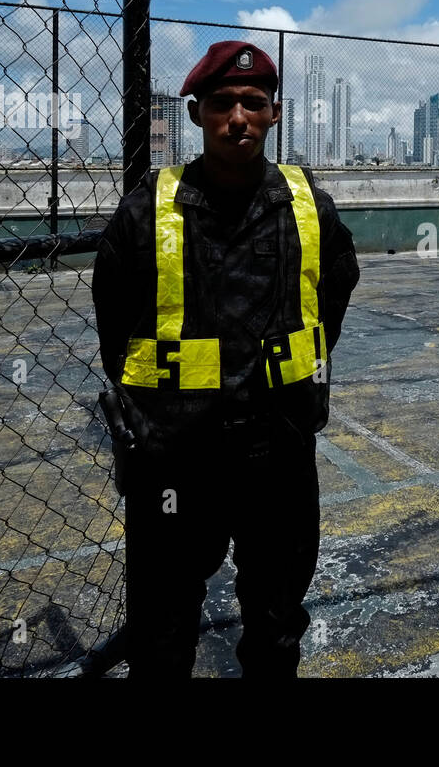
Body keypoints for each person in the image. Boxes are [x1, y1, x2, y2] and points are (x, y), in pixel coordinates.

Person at [92, 40, 360, 678]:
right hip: (176, 461)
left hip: (280, 454)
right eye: (221, 104)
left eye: (252, 103)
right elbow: (115, 321)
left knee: (275, 626)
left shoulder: (307, 205)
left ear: (274, 114)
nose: (237, 117)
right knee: (162, 627)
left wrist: (293, 376)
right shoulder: (145, 210)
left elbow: (337, 289)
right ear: (196, 114)